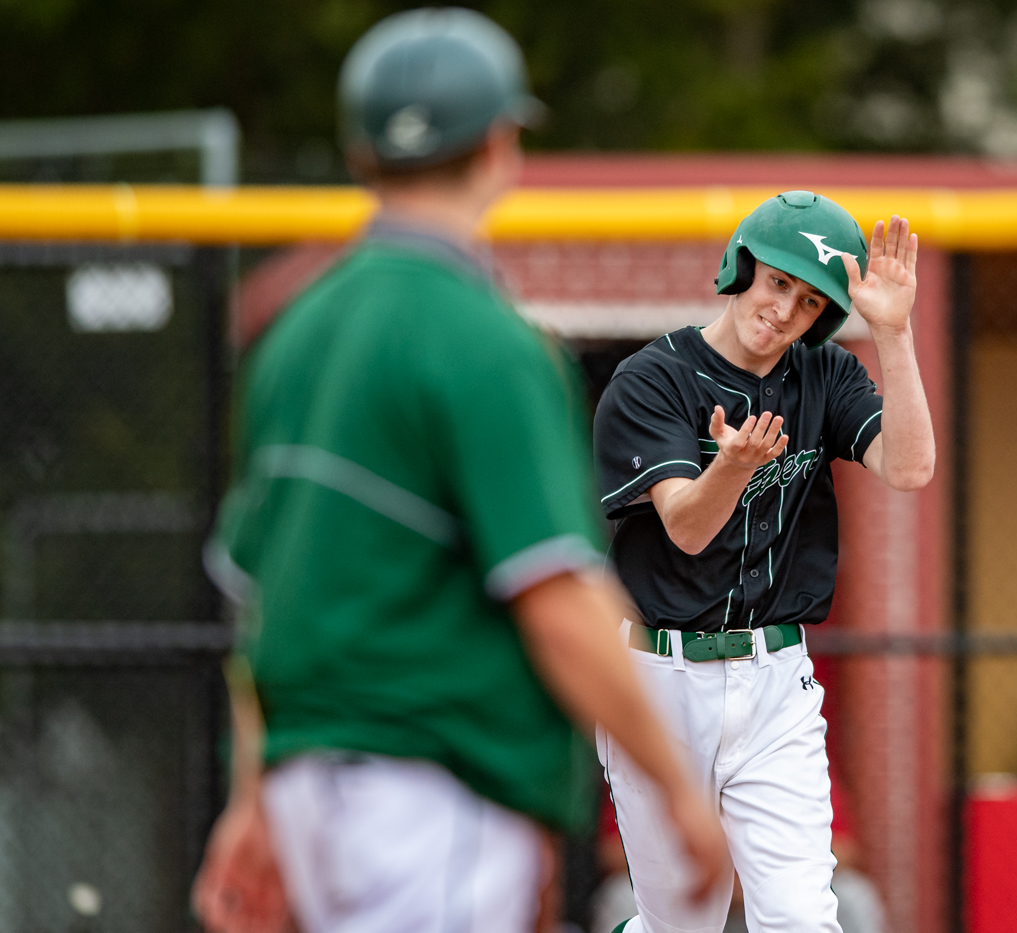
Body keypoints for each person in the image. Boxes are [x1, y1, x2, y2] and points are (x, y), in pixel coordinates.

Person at [191, 10, 726, 933]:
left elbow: (258, 606)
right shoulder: (488, 340)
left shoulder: (294, 334)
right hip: (431, 783)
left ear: (361, 151)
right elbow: (557, 598)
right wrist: (677, 787)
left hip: (309, 785)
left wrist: (256, 795)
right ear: (498, 145)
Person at [593, 191, 937, 933]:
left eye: (811, 301)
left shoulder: (825, 375)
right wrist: (734, 467)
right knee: (679, 920)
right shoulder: (653, 377)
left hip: (775, 677)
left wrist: (895, 333)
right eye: (777, 281)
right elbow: (684, 528)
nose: (785, 310)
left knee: (801, 919)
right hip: (660, 677)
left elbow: (910, 468)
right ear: (741, 266)